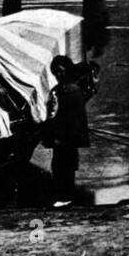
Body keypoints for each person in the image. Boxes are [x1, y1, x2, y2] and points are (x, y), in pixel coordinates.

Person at [46, 55, 92, 207]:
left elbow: (74, 118)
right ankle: (64, 198)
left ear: (67, 70)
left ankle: (65, 199)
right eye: (56, 72)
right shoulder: (62, 90)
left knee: (64, 168)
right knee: (61, 168)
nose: (58, 75)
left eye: (61, 71)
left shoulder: (70, 91)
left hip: (66, 138)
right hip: (63, 138)